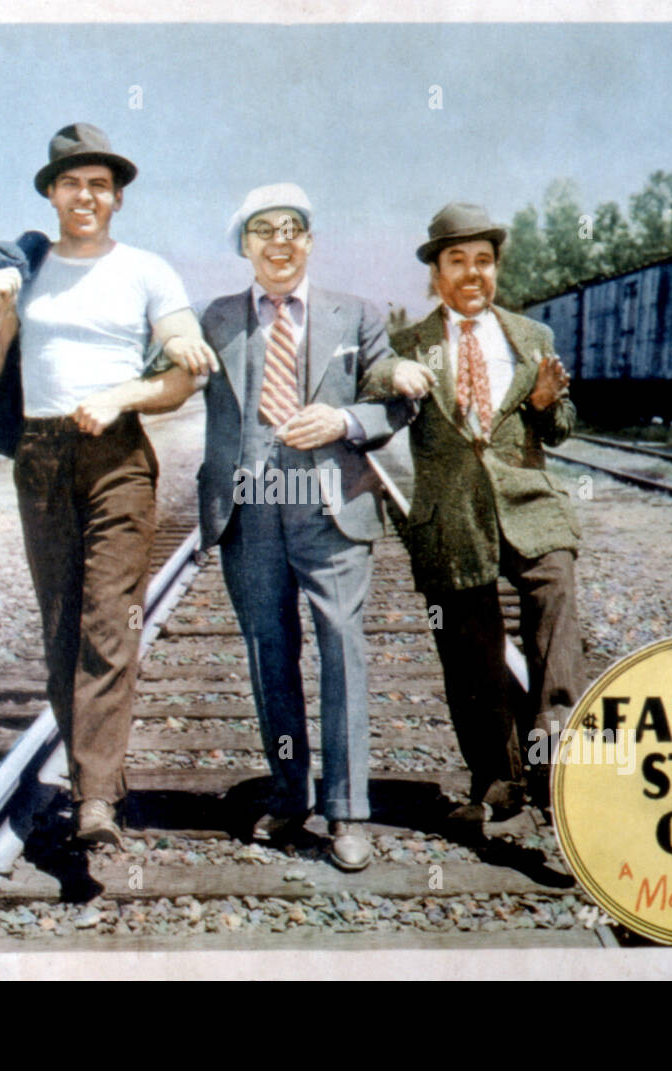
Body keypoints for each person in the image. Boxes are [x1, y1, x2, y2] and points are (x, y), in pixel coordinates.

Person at [0, 123, 214, 848]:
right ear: (50, 193)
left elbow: (182, 372)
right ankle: (91, 776)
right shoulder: (23, 271)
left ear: (118, 196)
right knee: (63, 628)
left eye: (99, 184)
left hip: (115, 455)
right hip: (40, 455)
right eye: (71, 182)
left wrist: (124, 393)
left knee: (109, 623)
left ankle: (94, 797)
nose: (85, 195)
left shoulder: (146, 270)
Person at [169, 183, 409, 871]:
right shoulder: (212, 319)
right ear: (244, 246)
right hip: (249, 505)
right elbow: (164, 368)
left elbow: (393, 402)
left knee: (341, 647)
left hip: (329, 502)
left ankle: (347, 811)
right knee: (267, 652)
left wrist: (346, 420)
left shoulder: (356, 315)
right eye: (263, 230)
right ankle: (287, 791)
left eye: (293, 229)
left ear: (310, 241)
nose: (279, 241)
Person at [361, 202, 583, 831]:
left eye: (483, 261)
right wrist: (390, 374)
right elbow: (374, 383)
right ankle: (496, 784)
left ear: (496, 269)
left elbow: (561, 429)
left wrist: (544, 402)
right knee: (472, 656)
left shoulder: (531, 337)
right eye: (456, 261)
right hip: (451, 519)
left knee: (556, 598)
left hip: (529, 506)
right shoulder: (409, 345)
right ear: (435, 273)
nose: (471, 274)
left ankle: (557, 756)